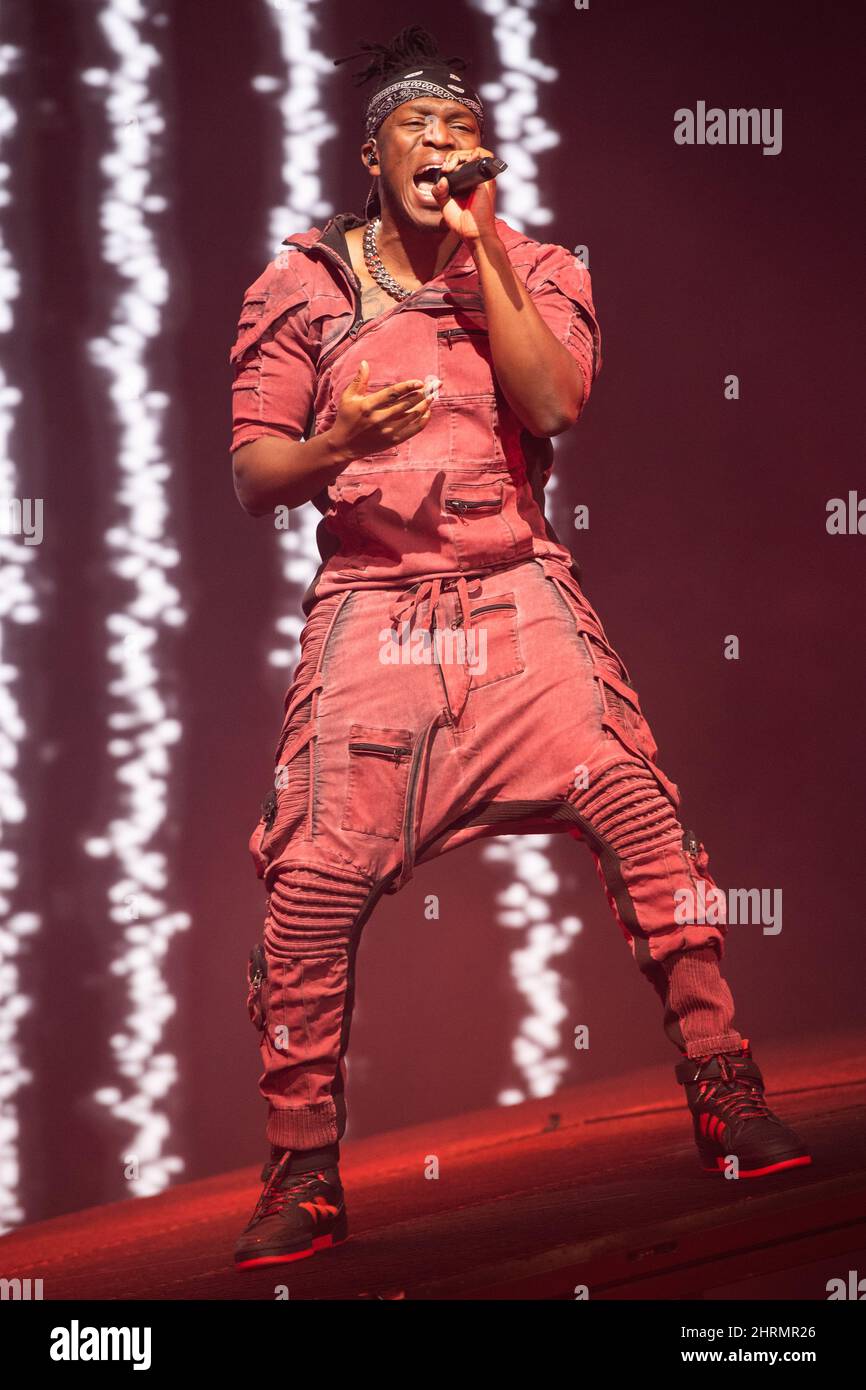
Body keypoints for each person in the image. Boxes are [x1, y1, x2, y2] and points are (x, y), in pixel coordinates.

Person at [227, 25, 810, 1270]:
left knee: (644, 814)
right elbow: (252, 471)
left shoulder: (533, 263)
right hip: (371, 608)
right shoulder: (302, 285)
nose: (440, 146)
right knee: (312, 885)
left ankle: (724, 1089)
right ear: (368, 155)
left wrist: (482, 242)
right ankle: (302, 1170)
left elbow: (551, 404)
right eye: (414, 131)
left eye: (458, 129)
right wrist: (337, 446)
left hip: (513, 590)